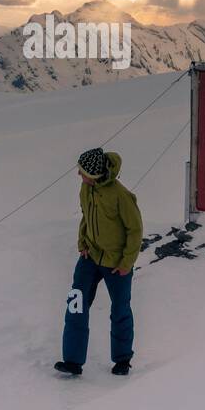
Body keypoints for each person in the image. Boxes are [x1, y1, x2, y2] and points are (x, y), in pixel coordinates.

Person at [55, 147, 143, 377]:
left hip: (117, 263)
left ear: (94, 175)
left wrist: (126, 263)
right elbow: (85, 216)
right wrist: (82, 243)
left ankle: (122, 360)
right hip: (90, 257)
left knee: (120, 310)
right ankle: (72, 361)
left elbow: (135, 230)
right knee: (76, 302)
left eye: (82, 172)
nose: (79, 175)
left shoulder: (120, 195)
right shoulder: (86, 188)